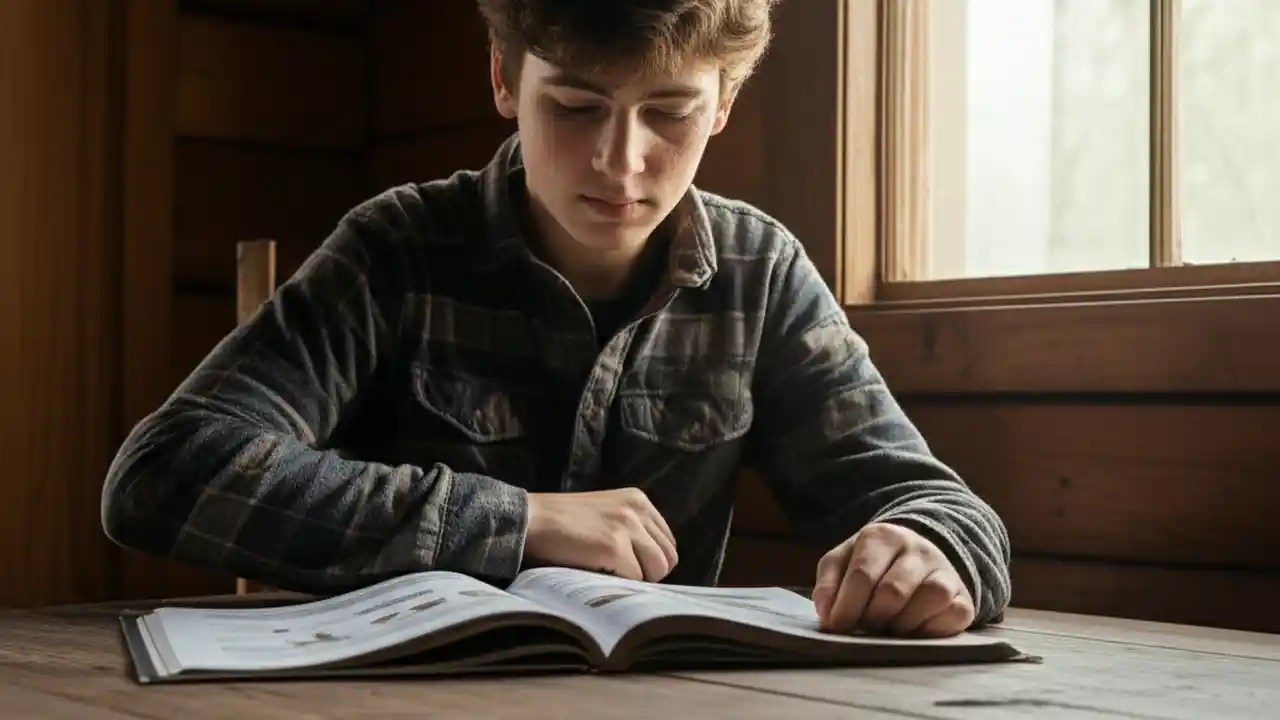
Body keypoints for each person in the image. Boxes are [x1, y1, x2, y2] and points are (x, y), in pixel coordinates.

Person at [102, 0, 1010, 638]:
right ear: (505, 77)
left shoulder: (759, 275)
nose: (622, 163)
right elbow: (163, 472)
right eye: (576, 107)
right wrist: (516, 522)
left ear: (725, 101)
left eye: (671, 112)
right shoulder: (396, 250)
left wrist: (928, 550)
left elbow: (940, 507)